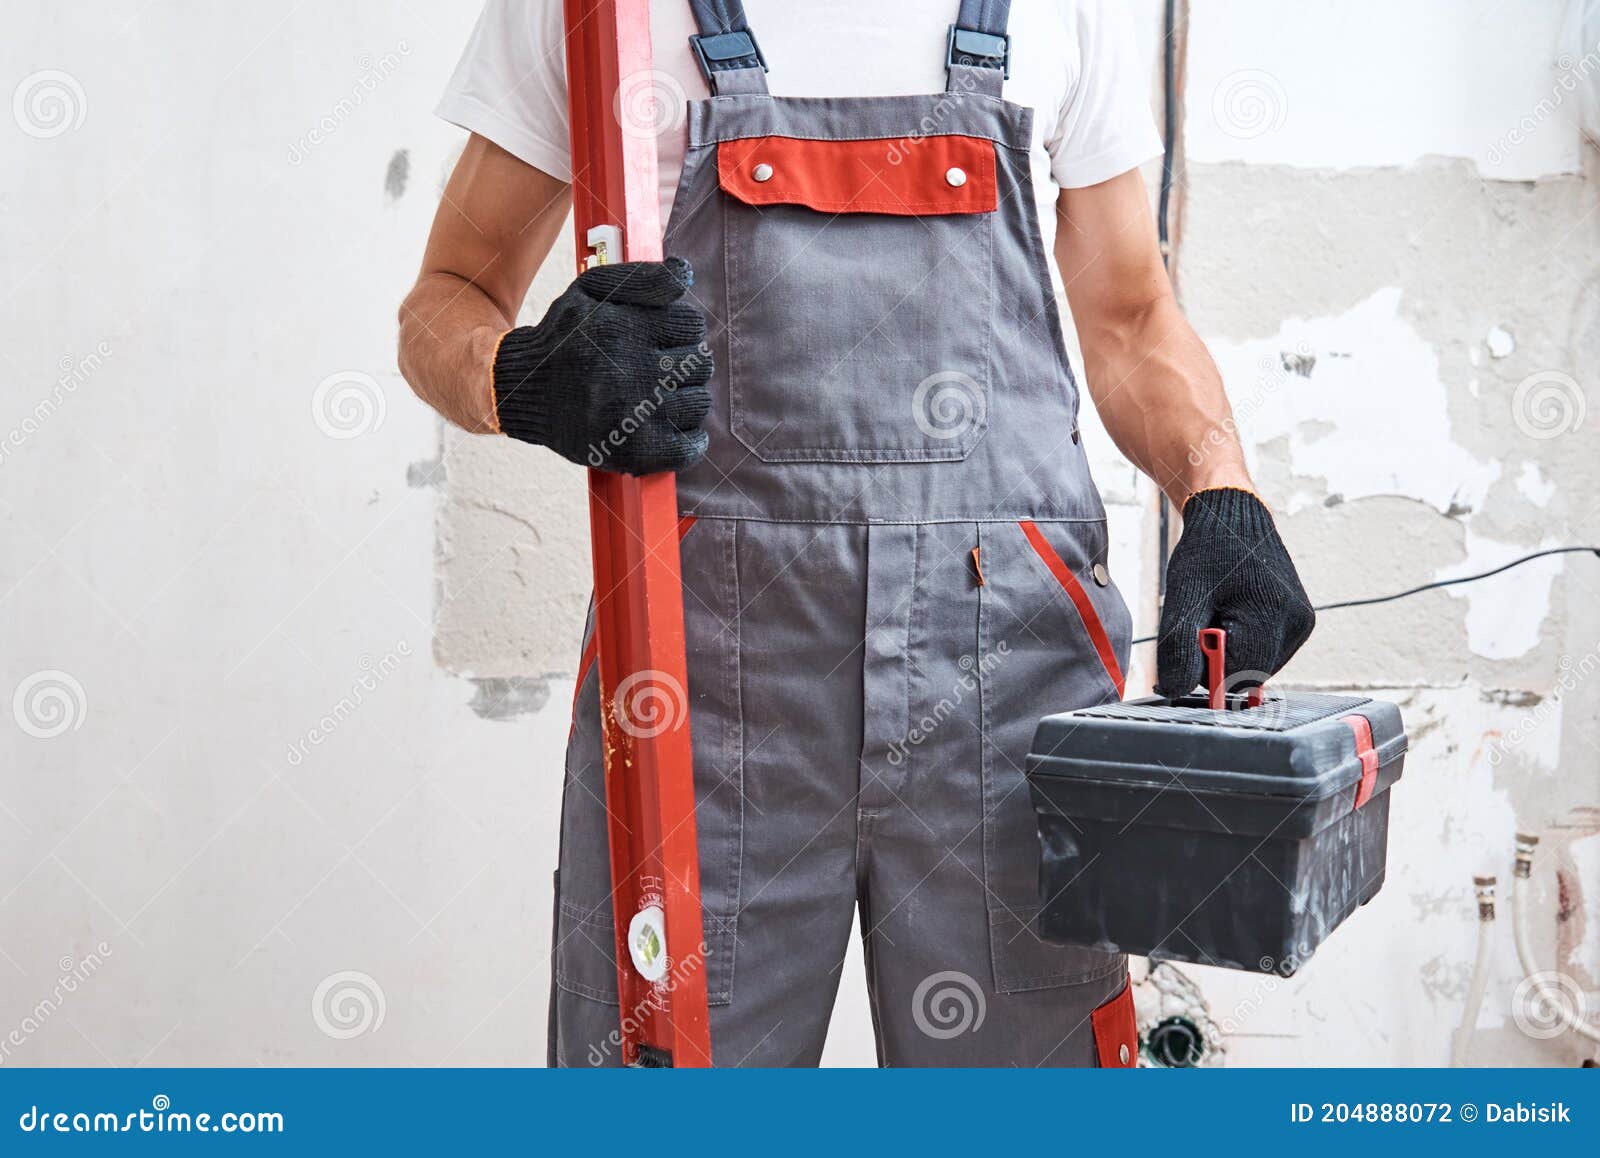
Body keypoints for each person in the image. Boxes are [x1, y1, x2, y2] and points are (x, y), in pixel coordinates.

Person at [398, 0, 1315, 1067]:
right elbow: (448, 297)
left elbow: (1129, 314)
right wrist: (518, 377)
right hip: (700, 693)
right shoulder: (595, 16)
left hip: (1009, 693)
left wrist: (1221, 490)